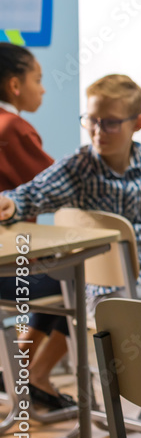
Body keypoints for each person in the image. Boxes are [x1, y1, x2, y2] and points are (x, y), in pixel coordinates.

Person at [0, 74, 141, 311]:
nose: (98, 131)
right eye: (91, 120)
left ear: (137, 123)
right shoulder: (78, 166)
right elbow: (34, 193)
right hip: (97, 286)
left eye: (110, 123)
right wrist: (11, 204)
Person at [0, 43, 76, 410]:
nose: (44, 88)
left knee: (61, 276)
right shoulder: (12, 128)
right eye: (38, 79)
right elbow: (62, 185)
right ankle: (37, 376)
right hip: (6, 270)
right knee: (81, 279)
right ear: (15, 85)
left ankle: (22, 371)